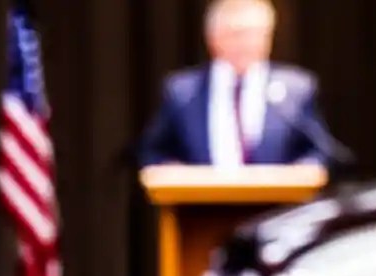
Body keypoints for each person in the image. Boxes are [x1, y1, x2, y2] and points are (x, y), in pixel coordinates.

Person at [137, 0, 345, 169]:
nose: (248, 43)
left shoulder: (296, 90)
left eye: (258, 34)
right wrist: (169, 168)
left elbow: (321, 151)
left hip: (277, 209)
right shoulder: (182, 91)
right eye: (239, 34)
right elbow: (152, 151)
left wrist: (305, 169)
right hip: (201, 209)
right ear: (213, 38)